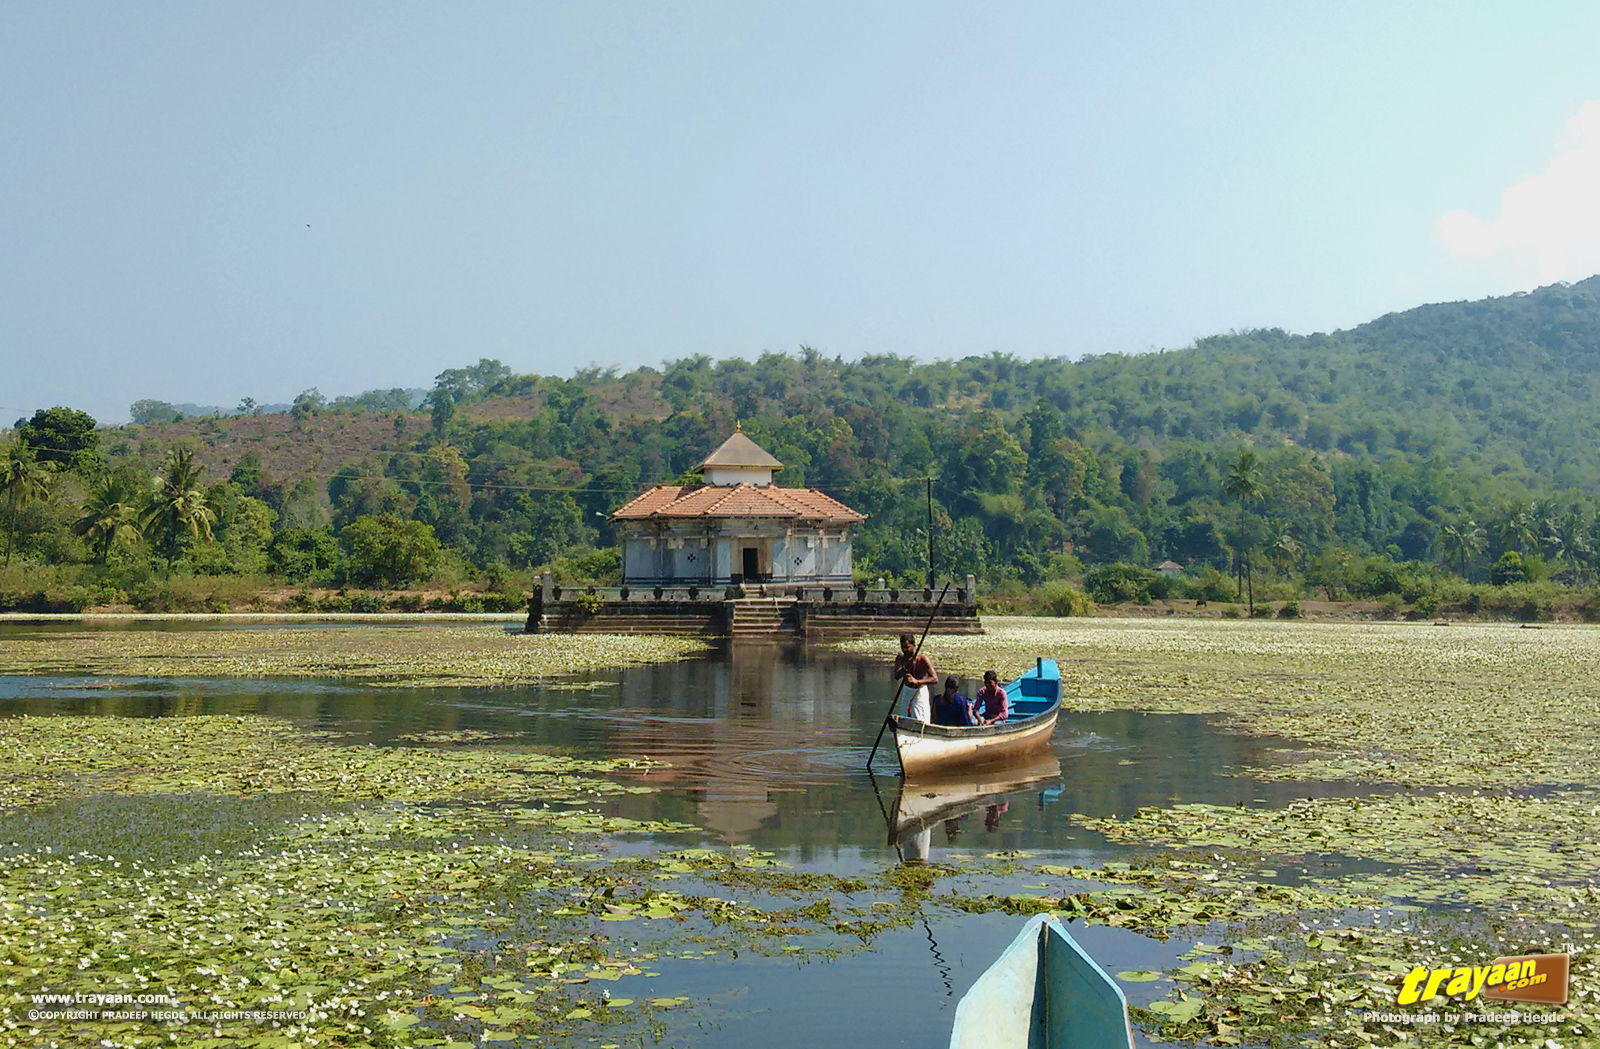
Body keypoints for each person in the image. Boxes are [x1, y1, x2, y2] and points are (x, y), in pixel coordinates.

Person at [892, 633, 937, 722]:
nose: (905, 650)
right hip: (907, 691)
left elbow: (935, 678)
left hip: (919, 692)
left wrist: (917, 682)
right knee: (905, 718)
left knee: (920, 719)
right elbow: (896, 676)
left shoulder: (922, 659)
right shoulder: (900, 658)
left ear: (913, 645)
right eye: (902, 647)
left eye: (907, 647)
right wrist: (906, 667)